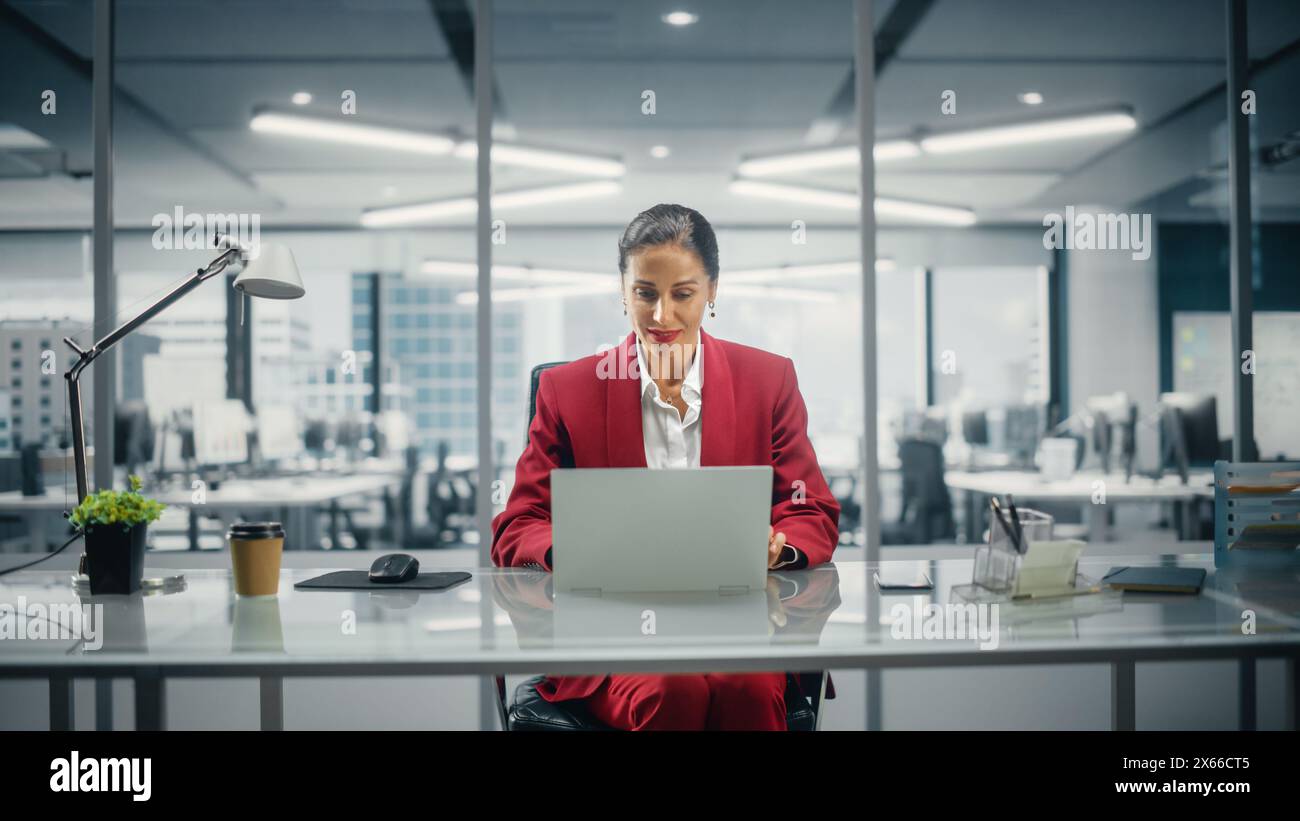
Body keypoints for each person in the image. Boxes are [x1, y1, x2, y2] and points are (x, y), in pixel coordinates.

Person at [491, 203, 840, 730]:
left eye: (683, 294)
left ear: (712, 290)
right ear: (623, 289)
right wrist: (575, 549)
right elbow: (518, 525)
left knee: (744, 686)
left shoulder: (768, 380)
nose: (661, 317)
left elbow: (809, 508)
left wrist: (780, 544)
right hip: (613, 628)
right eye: (645, 293)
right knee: (670, 688)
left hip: (739, 618)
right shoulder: (569, 390)